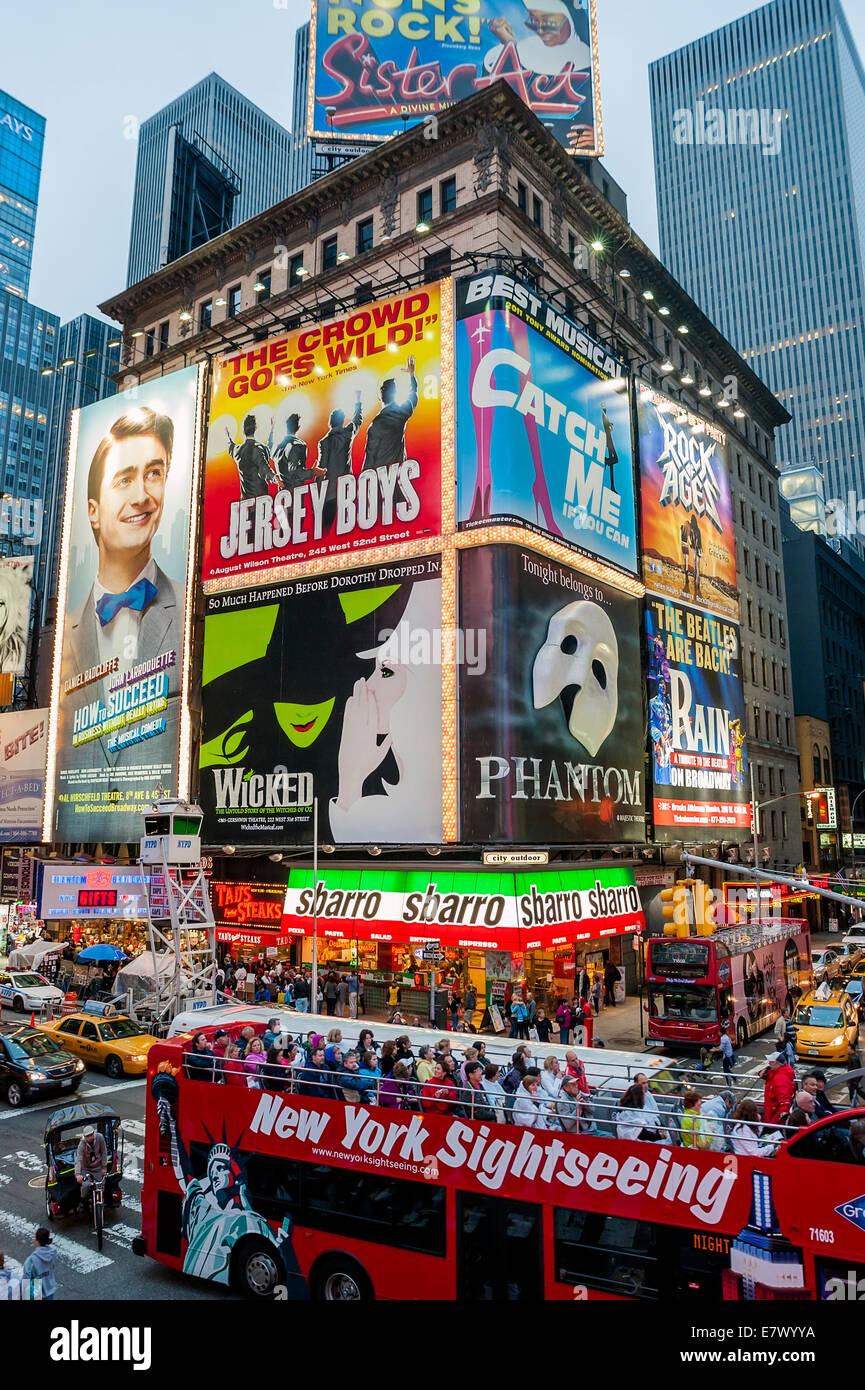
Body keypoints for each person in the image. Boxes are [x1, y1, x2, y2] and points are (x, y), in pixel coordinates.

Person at [362, 355, 418, 472]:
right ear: (395, 393)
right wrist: (411, 376)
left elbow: (369, 459)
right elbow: (413, 397)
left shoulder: (375, 425)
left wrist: (363, 485)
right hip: (398, 477)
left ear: (381, 396)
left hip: (379, 482)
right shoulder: (401, 414)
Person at [316, 394, 363, 532]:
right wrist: (358, 401)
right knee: (349, 531)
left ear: (330, 422)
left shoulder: (324, 442)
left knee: (325, 530)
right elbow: (357, 420)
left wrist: (316, 496)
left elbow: (321, 470)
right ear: (342, 421)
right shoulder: (348, 434)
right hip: (347, 492)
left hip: (329, 494)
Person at [227, 413, 276, 500]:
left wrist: (228, 436)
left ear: (243, 431)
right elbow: (264, 469)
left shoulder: (237, 450)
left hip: (245, 503)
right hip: (261, 501)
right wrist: (275, 479)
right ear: (256, 428)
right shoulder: (259, 448)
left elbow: (231, 446)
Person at [75, 1124, 108, 1213]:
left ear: (94, 1133)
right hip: (86, 1168)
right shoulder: (82, 1145)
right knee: (85, 1185)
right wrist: (78, 1174)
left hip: (98, 1167)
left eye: (91, 1135)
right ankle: (83, 1202)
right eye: (88, 1136)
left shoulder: (100, 1138)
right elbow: (78, 1159)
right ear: (85, 1137)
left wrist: (104, 1167)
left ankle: (101, 1205)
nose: (90, 1137)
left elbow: (104, 1152)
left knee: (101, 1185)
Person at [762, 1052, 797, 1126]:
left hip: (773, 1116)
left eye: (771, 1062)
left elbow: (785, 1099)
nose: (769, 1063)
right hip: (771, 1111)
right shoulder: (778, 1072)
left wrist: (776, 1121)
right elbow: (766, 1074)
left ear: (778, 1064)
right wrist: (762, 1073)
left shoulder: (781, 1078)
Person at [22, 1228, 57, 1301]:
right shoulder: (52, 1253)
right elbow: (53, 1266)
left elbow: (26, 1278)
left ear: (37, 1241)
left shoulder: (31, 1260)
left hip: (37, 1293)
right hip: (50, 1290)